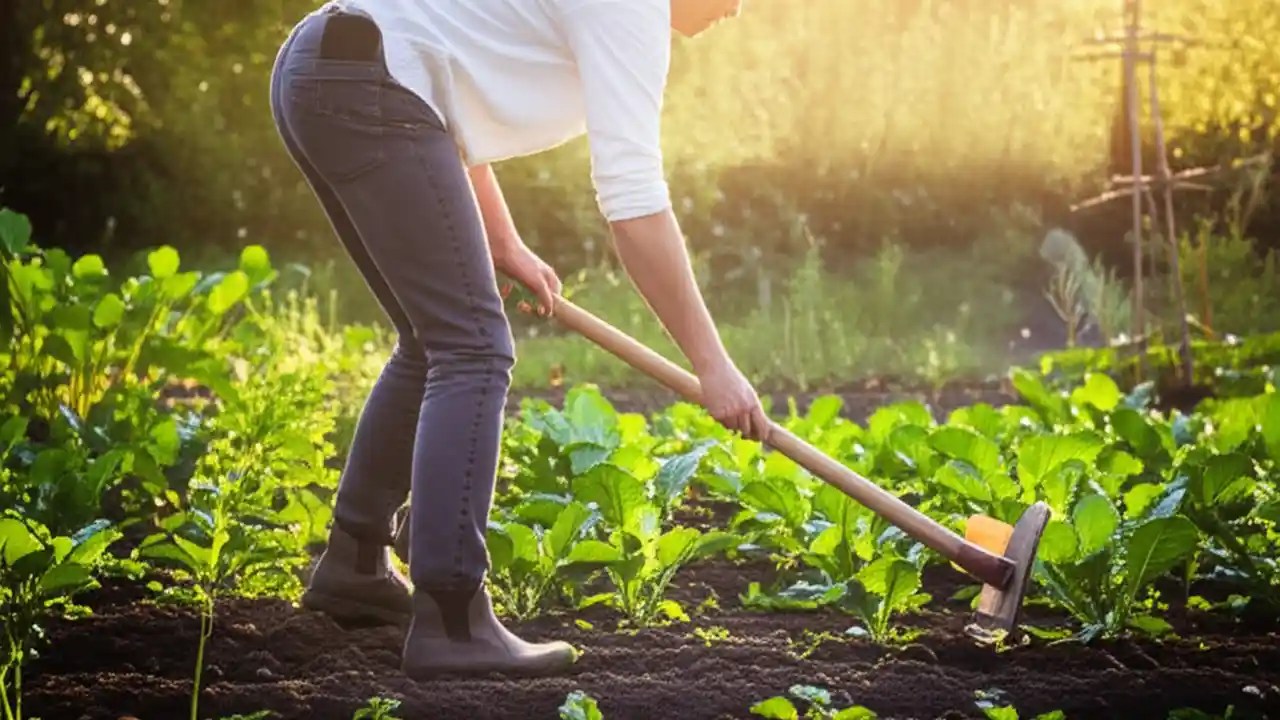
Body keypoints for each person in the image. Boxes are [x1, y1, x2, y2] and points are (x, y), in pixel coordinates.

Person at [268, 0, 765, 679]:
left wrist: (502, 239)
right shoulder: (634, 11)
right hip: (369, 83)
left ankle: (353, 565)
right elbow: (633, 200)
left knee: (434, 339)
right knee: (473, 348)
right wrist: (713, 365)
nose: (738, 10)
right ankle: (451, 618)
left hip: (326, 65)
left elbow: (444, 75)